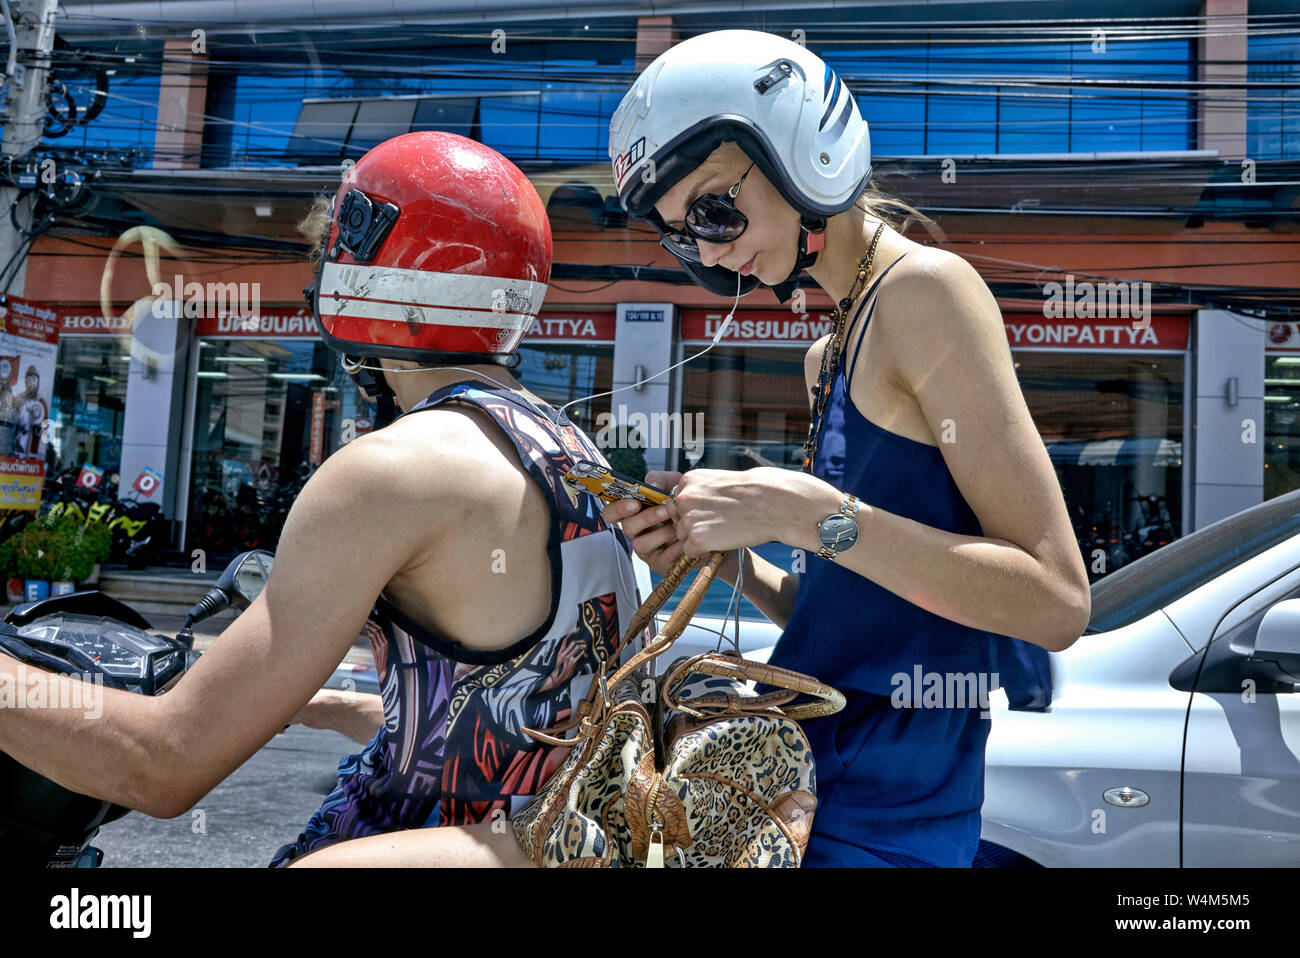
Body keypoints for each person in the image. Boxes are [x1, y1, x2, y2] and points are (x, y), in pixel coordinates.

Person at [0, 131, 642, 867]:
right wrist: (322, 703)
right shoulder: (568, 447)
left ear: (378, 276)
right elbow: (517, 709)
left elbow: (162, 765)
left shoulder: (389, 472)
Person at [602, 31, 1090, 867]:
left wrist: (806, 508)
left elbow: (1054, 601)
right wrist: (733, 559)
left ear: (798, 148)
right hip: (798, 791)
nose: (713, 251)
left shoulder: (926, 293)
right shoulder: (827, 350)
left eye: (715, 209)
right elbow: (862, 618)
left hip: (888, 819)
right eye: (684, 234)